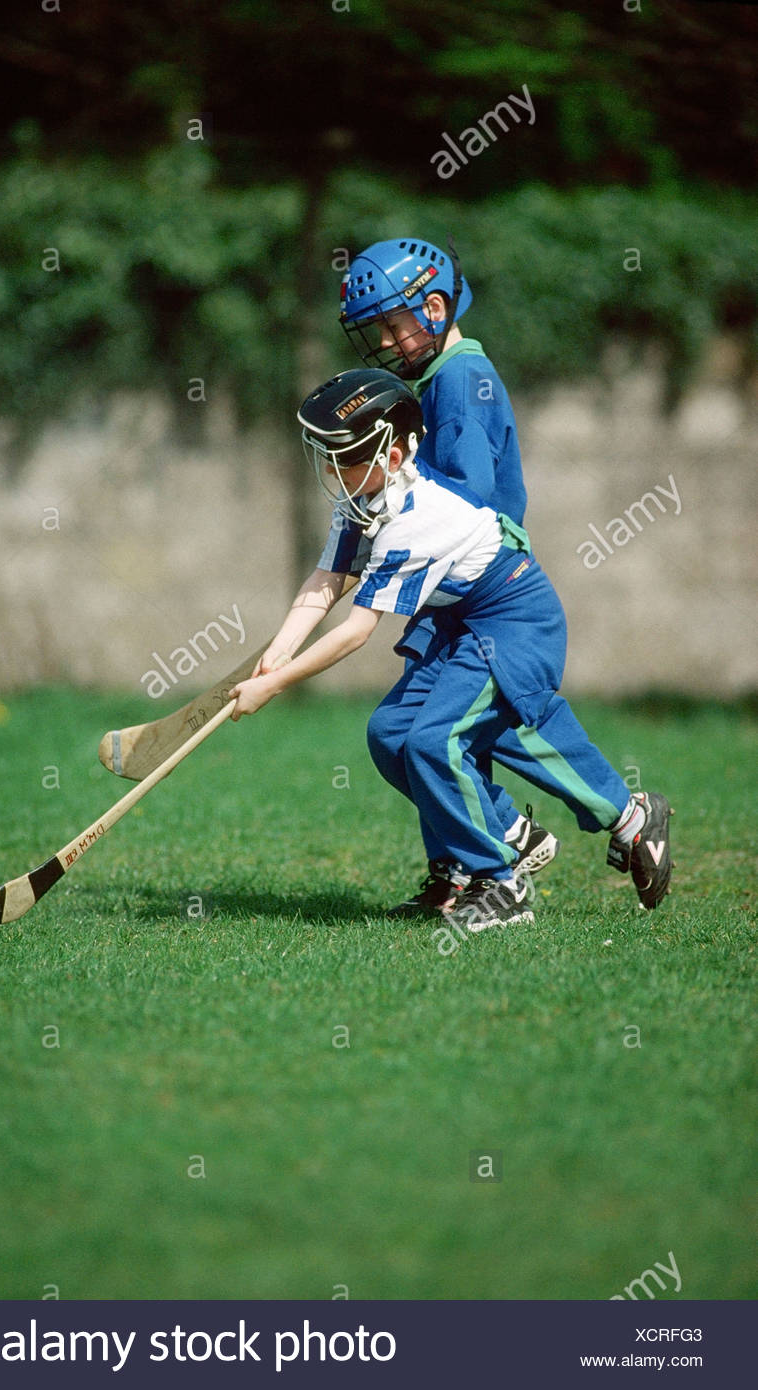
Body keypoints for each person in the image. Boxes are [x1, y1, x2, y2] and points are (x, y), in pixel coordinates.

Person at [229, 369, 672, 928]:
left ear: (392, 456)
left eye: (345, 456)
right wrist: (280, 651)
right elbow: (326, 577)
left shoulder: (416, 519)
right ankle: (518, 829)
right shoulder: (364, 497)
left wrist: (273, 685)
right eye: (327, 455)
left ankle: (502, 881)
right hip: (459, 622)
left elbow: (355, 631)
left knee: (437, 740)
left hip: (514, 621)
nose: (329, 471)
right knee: (391, 735)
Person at [332, 236, 672, 914]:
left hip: (486, 592)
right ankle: (479, 857)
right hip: (452, 593)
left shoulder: (461, 378)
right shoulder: (430, 379)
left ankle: (529, 847)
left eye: (395, 324)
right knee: (399, 734)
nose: (388, 340)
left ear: (433, 307)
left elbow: (468, 491)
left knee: (460, 731)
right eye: (378, 331)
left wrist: (391, 512)